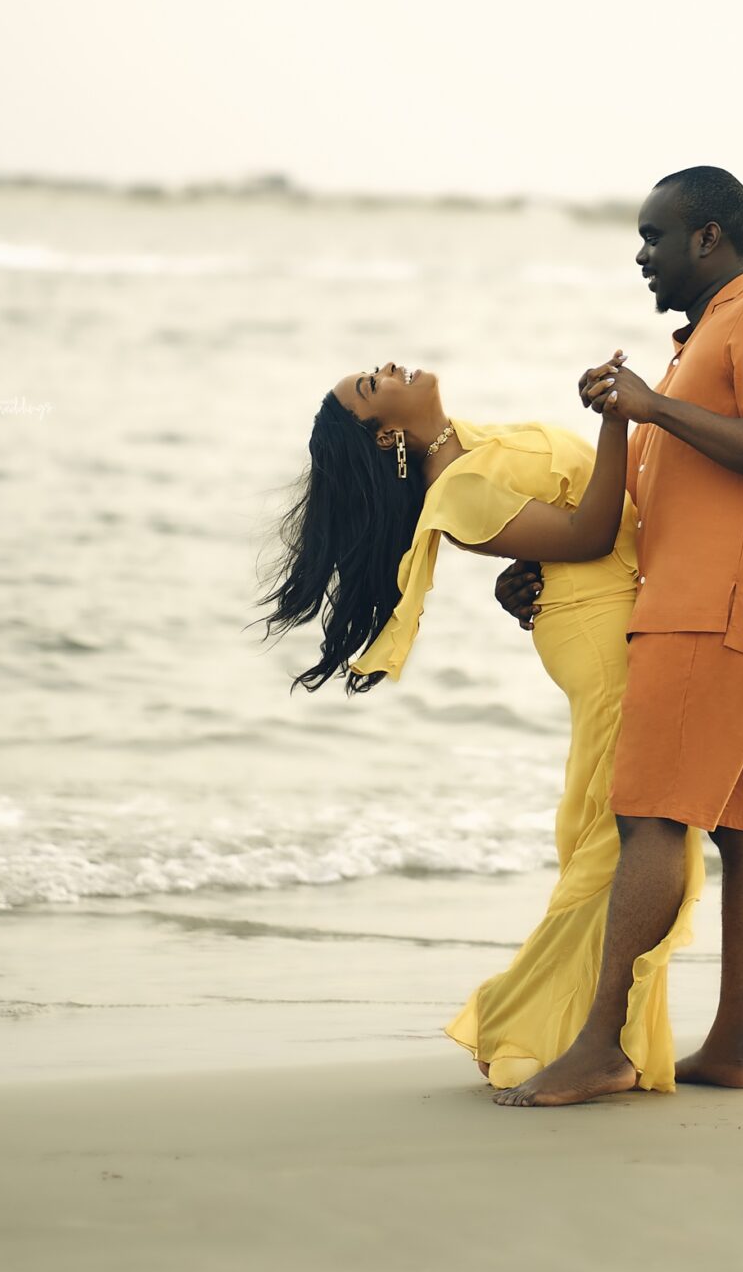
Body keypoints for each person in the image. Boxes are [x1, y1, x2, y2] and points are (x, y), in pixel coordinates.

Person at [254, 359, 705, 1093]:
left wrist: (523, 559)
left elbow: (561, 518)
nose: (385, 367)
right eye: (372, 386)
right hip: (602, 640)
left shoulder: (465, 444)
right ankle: (543, 1025)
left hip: (616, 612)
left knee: (616, 832)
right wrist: (617, 417)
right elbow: (591, 532)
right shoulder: (454, 489)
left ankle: (577, 1029)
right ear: (387, 437)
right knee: (619, 837)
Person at [489, 166, 743, 1108]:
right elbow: (651, 510)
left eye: (654, 237)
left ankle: (599, 1045)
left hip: (716, 609)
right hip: (737, 605)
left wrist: (654, 406)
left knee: (650, 817)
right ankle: (730, 1048)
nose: (641, 255)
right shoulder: (695, 346)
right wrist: (545, 572)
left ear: (709, 238)